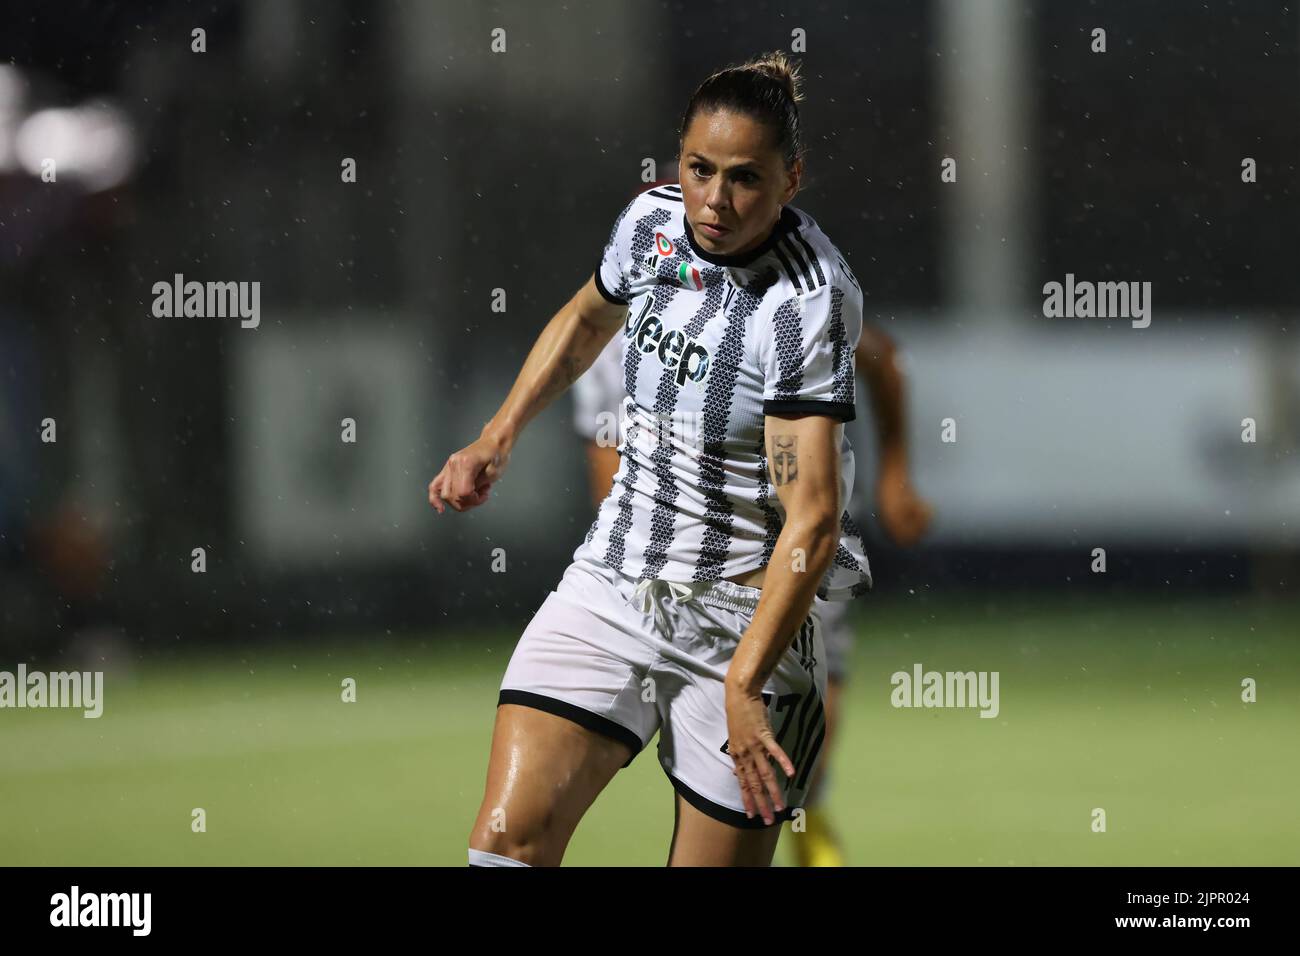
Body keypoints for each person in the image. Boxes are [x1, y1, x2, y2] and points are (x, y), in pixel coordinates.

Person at [430, 51, 870, 866]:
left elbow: (811, 515)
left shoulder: (806, 300)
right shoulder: (651, 224)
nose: (714, 199)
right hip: (613, 584)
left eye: (744, 178)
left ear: (792, 179)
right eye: (699, 168)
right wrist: (499, 433)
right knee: (504, 845)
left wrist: (745, 680)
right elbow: (586, 317)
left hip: (741, 622)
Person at [573, 278, 934, 867]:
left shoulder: (794, 298)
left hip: (803, 534)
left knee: (812, 686)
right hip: (684, 559)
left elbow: (882, 358)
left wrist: (895, 471)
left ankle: (804, 806)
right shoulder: (616, 328)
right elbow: (604, 453)